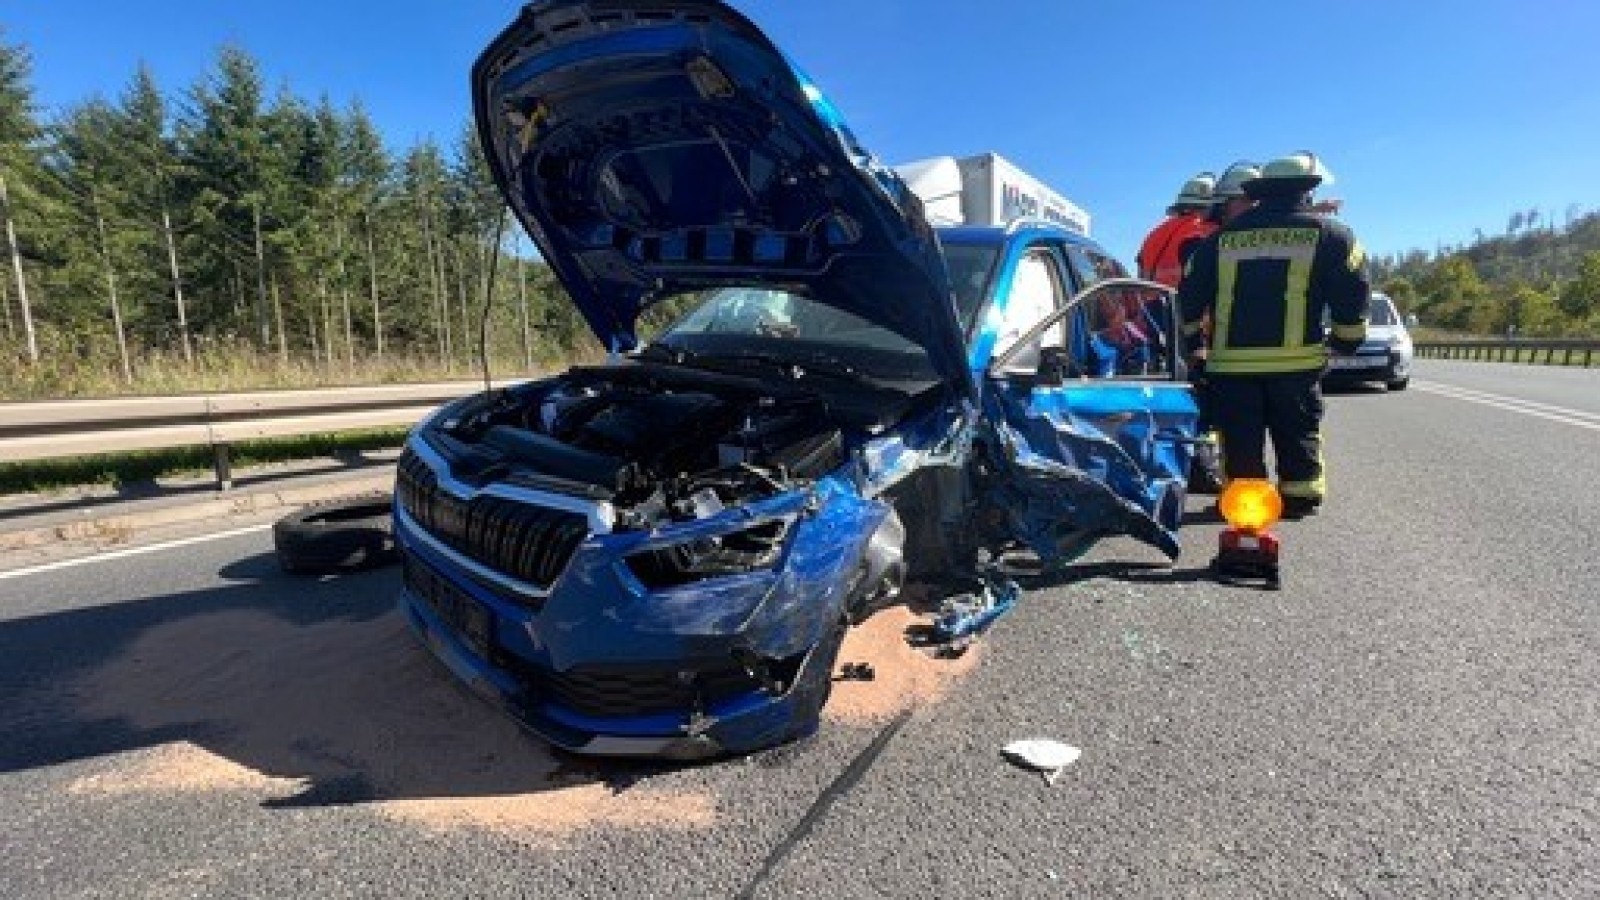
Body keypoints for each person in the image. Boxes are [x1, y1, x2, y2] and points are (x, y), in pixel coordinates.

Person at [1177, 152, 1370, 517]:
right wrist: (1345, 342)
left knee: (1240, 443)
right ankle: (1299, 495)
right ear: (1306, 192)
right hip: (1297, 368)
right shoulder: (1333, 236)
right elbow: (1353, 290)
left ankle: (1244, 502)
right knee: (1298, 434)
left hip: (1231, 368)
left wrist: (1194, 346)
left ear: (1261, 192)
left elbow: (1187, 299)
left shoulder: (1220, 240)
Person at [1185, 161, 1262, 494]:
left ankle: (1220, 478)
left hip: (1201, 345)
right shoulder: (1210, 240)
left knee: (1220, 419)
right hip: (1221, 348)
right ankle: (1222, 481)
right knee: (1226, 422)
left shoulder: (1159, 236)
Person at [1137, 172, 1217, 288]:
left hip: (1153, 304)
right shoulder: (1206, 231)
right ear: (1210, 206)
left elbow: (1141, 274)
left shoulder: (1153, 235)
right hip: (1188, 303)